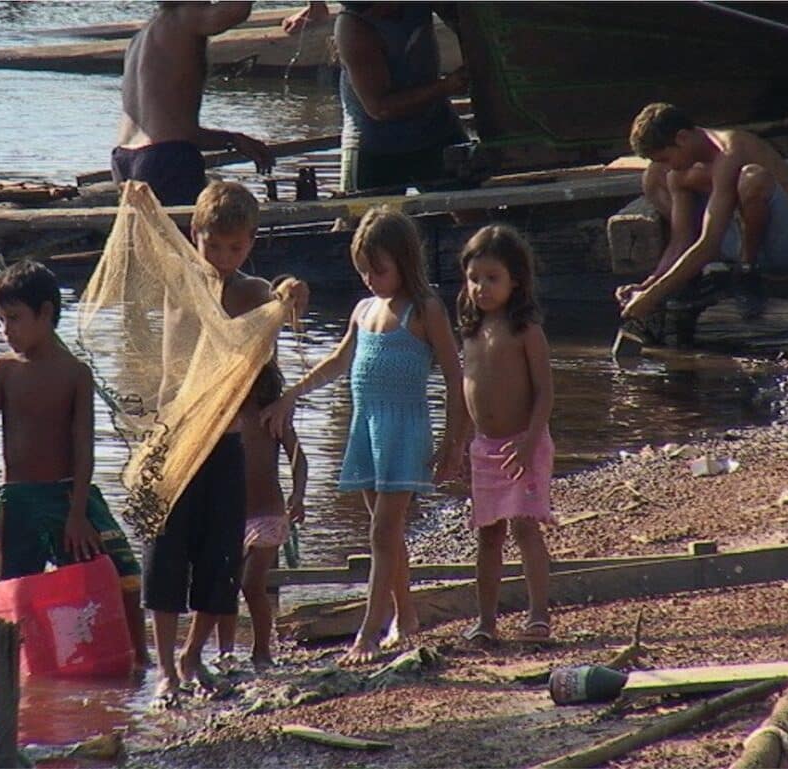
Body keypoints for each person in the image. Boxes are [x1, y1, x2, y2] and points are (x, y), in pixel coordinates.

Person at [262, 206, 465, 664]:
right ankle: (406, 615)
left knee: (381, 531)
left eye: (379, 270)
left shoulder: (425, 309)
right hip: (366, 428)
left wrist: (455, 442)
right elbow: (338, 361)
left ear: (404, 263)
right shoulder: (363, 309)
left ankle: (369, 633)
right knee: (387, 536)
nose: (370, 279)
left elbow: (455, 377)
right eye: (364, 271)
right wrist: (291, 394)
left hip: (405, 430)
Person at [140, 180, 309, 708]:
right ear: (197, 236)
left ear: (251, 243)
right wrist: (142, 203)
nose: (223, 257)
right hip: (176, 440)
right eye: (213, 245)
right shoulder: (183, 279)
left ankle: (195, 656)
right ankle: (167, 669)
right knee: (166, 558)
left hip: (228, 444)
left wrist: (293, 292)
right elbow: (150, 240)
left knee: (221, 562)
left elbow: (285, 304)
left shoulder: (255, 293)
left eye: (235, 247)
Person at [0, 260, 150, 668]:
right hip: (18, 499)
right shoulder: (2, 371)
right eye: (1, 320)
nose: (7, 330)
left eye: (15, 319)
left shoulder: (75, 373)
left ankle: (139, 662)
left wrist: (76, 515)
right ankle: (17, 673)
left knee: (122, 570)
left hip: (69, 493)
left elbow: (82, 446)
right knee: (14, 590)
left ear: (47, 314)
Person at [456, 225, 554, 646]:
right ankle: (486, 620)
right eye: (474, 278)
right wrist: (460, 442)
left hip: (522, 443)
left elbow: (546, 391)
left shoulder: (525, 330)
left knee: (526, 529)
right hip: (485, 447)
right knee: (488, 534)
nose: (481, 288)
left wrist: (531, 438)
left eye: (492, 278)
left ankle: (538, 616)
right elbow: (467, 389)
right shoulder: (471, 330)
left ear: (515, 280)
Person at [618, 102, 788, 321]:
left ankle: (747, 272)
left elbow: (709, 243)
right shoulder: (680, 172)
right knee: (653, 177)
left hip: (785, 249)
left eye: (666, 158)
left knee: (752, 178)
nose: (667, 166)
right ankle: (695, 278)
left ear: (682, 138)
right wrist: (648, 285)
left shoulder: (731, 149)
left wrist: (653, 296)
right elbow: (681, 240)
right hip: (732, 246)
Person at [112, 2, 274, 206]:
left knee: (145, 237)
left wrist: (233, 139)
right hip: (163, 159)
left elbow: (175, 129)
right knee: (182, 237)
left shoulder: (141, 37)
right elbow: (237, 9)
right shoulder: (185, 17)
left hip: (123, 159)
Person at [215, 357, 308, 670]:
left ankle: (262, 650)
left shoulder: (272, 417)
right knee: (225, 584)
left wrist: (298, 495)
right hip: (229, 517)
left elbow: (299, 458)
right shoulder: (224, 418)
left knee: (252, 584)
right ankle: (225, 651)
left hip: (268, 515)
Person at [335, 2, 468, 193]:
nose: (379, 12)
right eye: (369, 11)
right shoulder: (353, 29)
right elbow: (379, 108)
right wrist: (446, 86)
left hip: (437, 128)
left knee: (473, 211)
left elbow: (465, 18)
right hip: (376, 144)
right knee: (365, 220)